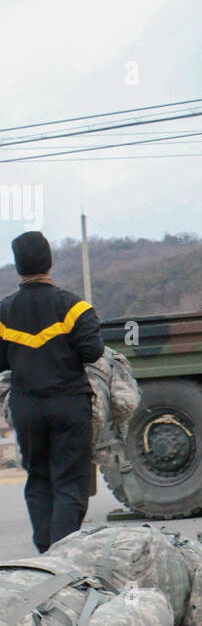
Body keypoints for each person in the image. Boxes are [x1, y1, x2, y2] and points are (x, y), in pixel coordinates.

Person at [0, 230, 104, 552]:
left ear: (18, 267)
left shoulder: (4, 312)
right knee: (70, 481)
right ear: (50, 262)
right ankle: (64, 556)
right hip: (69, 404)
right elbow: (93, 352)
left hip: (27, 406)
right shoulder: (75, 308)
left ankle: (45, 554)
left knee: (39, 479)